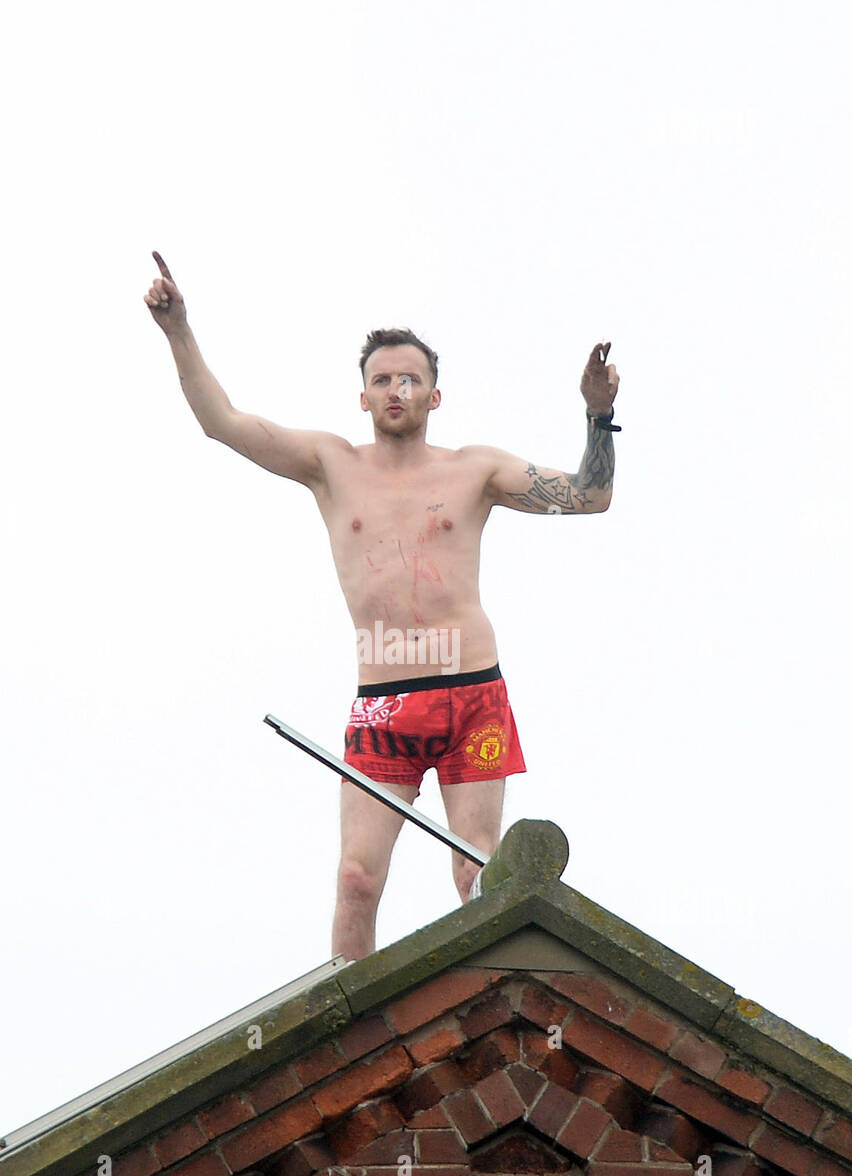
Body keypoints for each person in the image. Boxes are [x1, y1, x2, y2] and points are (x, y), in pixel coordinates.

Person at [145, 251, 619, 961]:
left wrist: (598, 412)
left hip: (469, 693)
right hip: (383, 701)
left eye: (411, 379)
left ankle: (499, 1001)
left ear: (435, 397)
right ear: (362, 398)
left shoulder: (475, 469)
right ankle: (343, 1026)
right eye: (382, 380)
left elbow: (589, 496)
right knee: (356, 879)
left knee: (477, 870)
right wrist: (178, 330)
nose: (396, 388)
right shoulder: (330, 464)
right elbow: (222, 422)